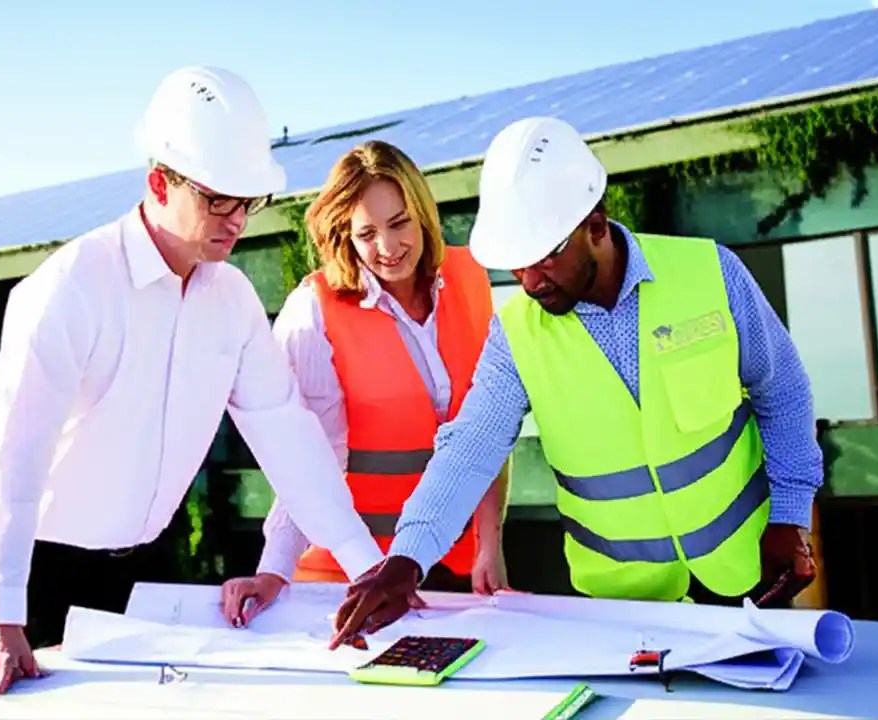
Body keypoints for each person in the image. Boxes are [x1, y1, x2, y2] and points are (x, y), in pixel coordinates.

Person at [0, 65, 385, 696]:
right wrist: (1, 616)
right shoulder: (67, 289)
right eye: (219, 199)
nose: (237, 219)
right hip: (39, 577)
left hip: (151, 573)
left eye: (248, 201)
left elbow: (289, 437)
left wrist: (365, 568)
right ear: (160, 181)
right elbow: (11, 466)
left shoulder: (235, 301)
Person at [329, 116, 824, 648]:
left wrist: (792, 516)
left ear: (595, 224)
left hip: (748, 571)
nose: (530, 281)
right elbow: (470, 447)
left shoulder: (710, 272)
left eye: (543, 259)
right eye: (516, 267)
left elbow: (784, 392)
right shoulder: (517, 333)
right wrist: (408, 558)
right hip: (620, 609)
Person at [218, 141, 511, 626]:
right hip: (349, 583)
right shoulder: (314, 314)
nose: (388, 248)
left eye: (399, 224)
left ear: (422, 214)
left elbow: (490, 428)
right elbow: (308, 457)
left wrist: (491, 544)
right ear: (343, 236)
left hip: (459, 576)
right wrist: (273, 570)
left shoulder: (471, 278)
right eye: (366, 233)